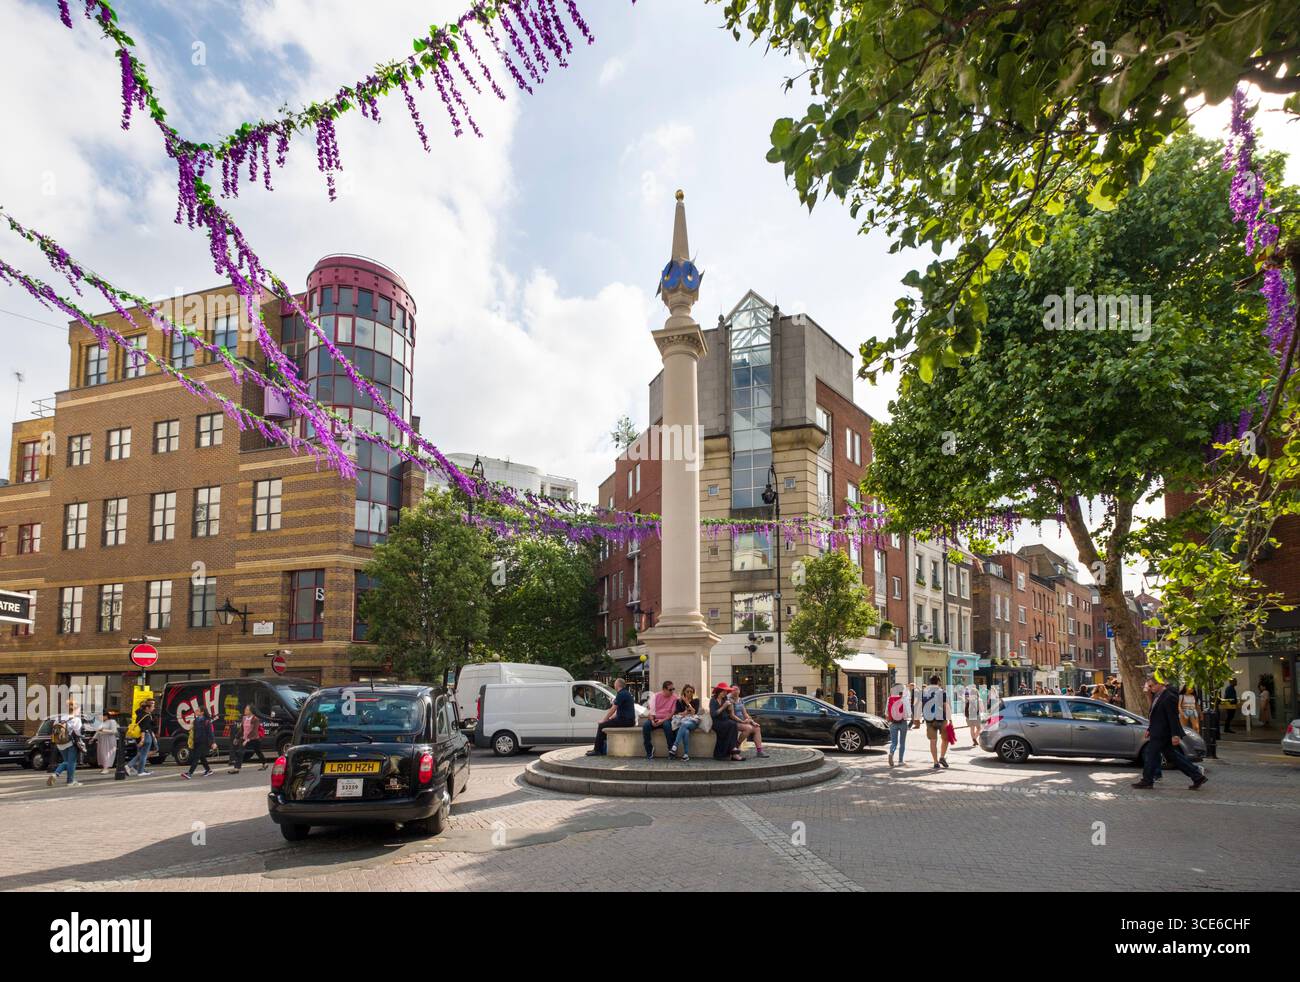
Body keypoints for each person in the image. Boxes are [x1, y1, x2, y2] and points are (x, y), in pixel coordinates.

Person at [1133, 677, 1207, 790]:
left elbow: (1172, 717)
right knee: (1172, 756)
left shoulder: (1169, 696)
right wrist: (1150, 728)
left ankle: (1147, 780)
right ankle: (1197, 776)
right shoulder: (1158, 695)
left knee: (1150, 755)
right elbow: (1154, 713)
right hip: (1157, 731)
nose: (1149, 688)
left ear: (1160, 684)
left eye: (1151, 686)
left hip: (1162, 733)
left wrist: (1175, 734)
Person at [587, 678, 636, 756]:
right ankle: (601, 748)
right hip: (628, 720)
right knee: (605, 724)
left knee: (601, 726)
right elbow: (619, 711)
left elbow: (613, 709)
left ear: (617, 685)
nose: (614, 685)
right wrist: (609, 719)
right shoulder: (626, 693)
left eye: (615, 683)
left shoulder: (621, 694)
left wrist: (604, 720)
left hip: (625, 720)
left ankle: (597, 750)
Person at [47, 698, 84, 788]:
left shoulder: (58, 718)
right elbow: (78, 733)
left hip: (60, 743)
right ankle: (67, 779)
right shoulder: (76, 720)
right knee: (71, 762)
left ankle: (66, 779)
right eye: (79, 709)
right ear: (76, 709)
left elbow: (53, 730)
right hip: (71, 743)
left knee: (67, 762)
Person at [642, 680, 679, 760]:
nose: (672, 691)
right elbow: (651, 711)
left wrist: (661, 721)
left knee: (667, 725)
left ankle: (671, 751)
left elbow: (672, 714)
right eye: (670, 689)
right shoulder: (655, 696)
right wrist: (652, 720)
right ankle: (649, 750)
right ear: (664, 689)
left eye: (673, 689)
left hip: (666, 719)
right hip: (655, 719)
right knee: (646, 726)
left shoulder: (675, 698)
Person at [921, 675, 950, 769]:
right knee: (945, 739)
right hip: (942, 718)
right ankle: (942, 757)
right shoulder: (942, 691)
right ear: (938, 682)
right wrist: (951, 720)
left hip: (929, 720)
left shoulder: (924, 692)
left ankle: (935, 762)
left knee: (933, 741)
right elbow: (945, 706)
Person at [731, 687, 769, 758]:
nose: (736, 691)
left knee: (756, 728)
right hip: (734, 721)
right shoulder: (730, 701)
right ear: (731, 691)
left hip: (743, 721)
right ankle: (736, 746)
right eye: (734, 690)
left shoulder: (740, 700)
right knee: (748, 728)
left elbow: (745, 713)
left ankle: (759, 751)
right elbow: (732, 715)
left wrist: (752, 721)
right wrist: (742, 721)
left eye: (738, 689)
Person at [229, 705, 269, 773]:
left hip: (254, 739)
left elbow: (254, 731)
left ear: (251, 711)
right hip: (245, 738)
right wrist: (236, 737)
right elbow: (242, 729)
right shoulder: (244, 718)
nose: (245, 710)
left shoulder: (255, 719)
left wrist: (247, 740)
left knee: (258, 751)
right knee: (240, 751)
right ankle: (236, 768)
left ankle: (264, 764)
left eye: (246, 709)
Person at [709, 683, 743, 761]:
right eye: (723, 691)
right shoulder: (713, 700)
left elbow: (729, 714)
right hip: (717, 723)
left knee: (733, 725)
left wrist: (730, 707)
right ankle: (733, 751)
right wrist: (723, 706)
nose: (725, 693)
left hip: (725, 721)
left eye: (726, 692)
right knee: (732, 725)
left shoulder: (725, 700)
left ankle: (733, 751)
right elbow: (713, 714)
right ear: (719, 691)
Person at [668, 684, 702, 760]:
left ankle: (674, 746)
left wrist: (687, 702)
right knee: (685, 732)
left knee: (684, 724)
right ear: (684, 692)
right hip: (683, 721)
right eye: (687, 691)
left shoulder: (696, 700)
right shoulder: (679, 701)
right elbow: (677, 713)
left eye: (691, 692)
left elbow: (694, 712)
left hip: (692, 722)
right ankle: (686, 754)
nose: (689, 693)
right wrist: (685, 713)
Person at [182, 708, 217, 779]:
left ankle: (190, 773)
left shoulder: (207, 721)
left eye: (197, 711)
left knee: (196, 757)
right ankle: (208, 770)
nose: (195, 712)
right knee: (201, 757)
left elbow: (210, 733)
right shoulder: (196, 721)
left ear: (202, 712)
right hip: (196, 741)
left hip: (204, 742)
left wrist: (213, 742)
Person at [127, 698, 158, 776]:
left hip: (139, 736)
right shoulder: (146, 716)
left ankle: (136, 768)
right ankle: (134, 768)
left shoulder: (140, 714)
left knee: (141, 753)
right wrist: (142, 739)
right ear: (147, 708)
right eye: (152, 706)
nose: (154, 708)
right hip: (146, 736)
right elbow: (144, 729)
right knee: (143, 754)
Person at [886, 683, 910, 767]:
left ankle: (891, 753)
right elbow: (908, 713)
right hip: (903, 722)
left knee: (894, 742)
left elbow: (886, 713)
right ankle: (900, 761)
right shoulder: (905, 699)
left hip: (893, 723)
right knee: (902, 742)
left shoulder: (890, 699)